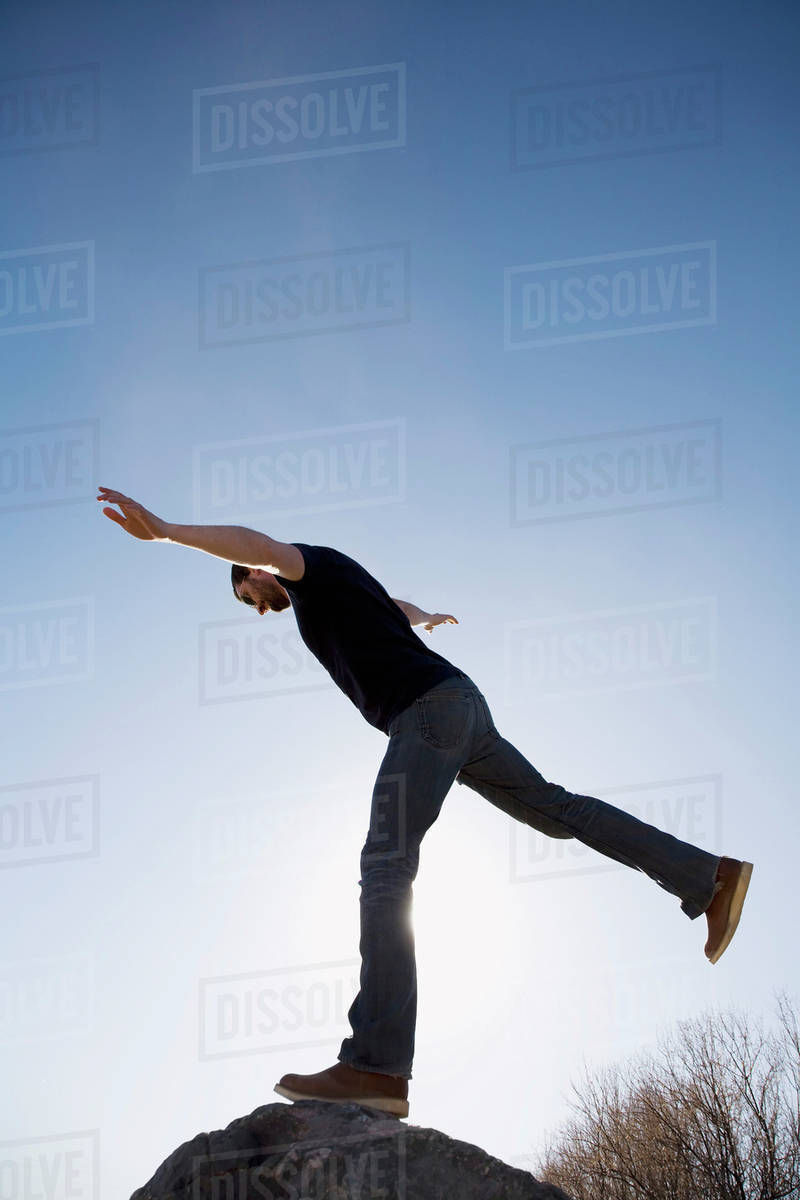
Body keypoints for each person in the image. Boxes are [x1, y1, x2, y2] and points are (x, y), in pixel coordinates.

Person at [96, 486, 753, 1119]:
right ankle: (710, 876)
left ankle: (376, 1065)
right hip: (461, 706)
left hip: (427, 712)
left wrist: (167, 531)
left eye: (254, 595)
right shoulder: (340, 580)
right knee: (559, 811)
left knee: (385, 864)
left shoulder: (298, 563)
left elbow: (256, 542)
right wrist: (425, 617)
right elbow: (391, 606)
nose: (262, 608)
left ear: (257, 573)